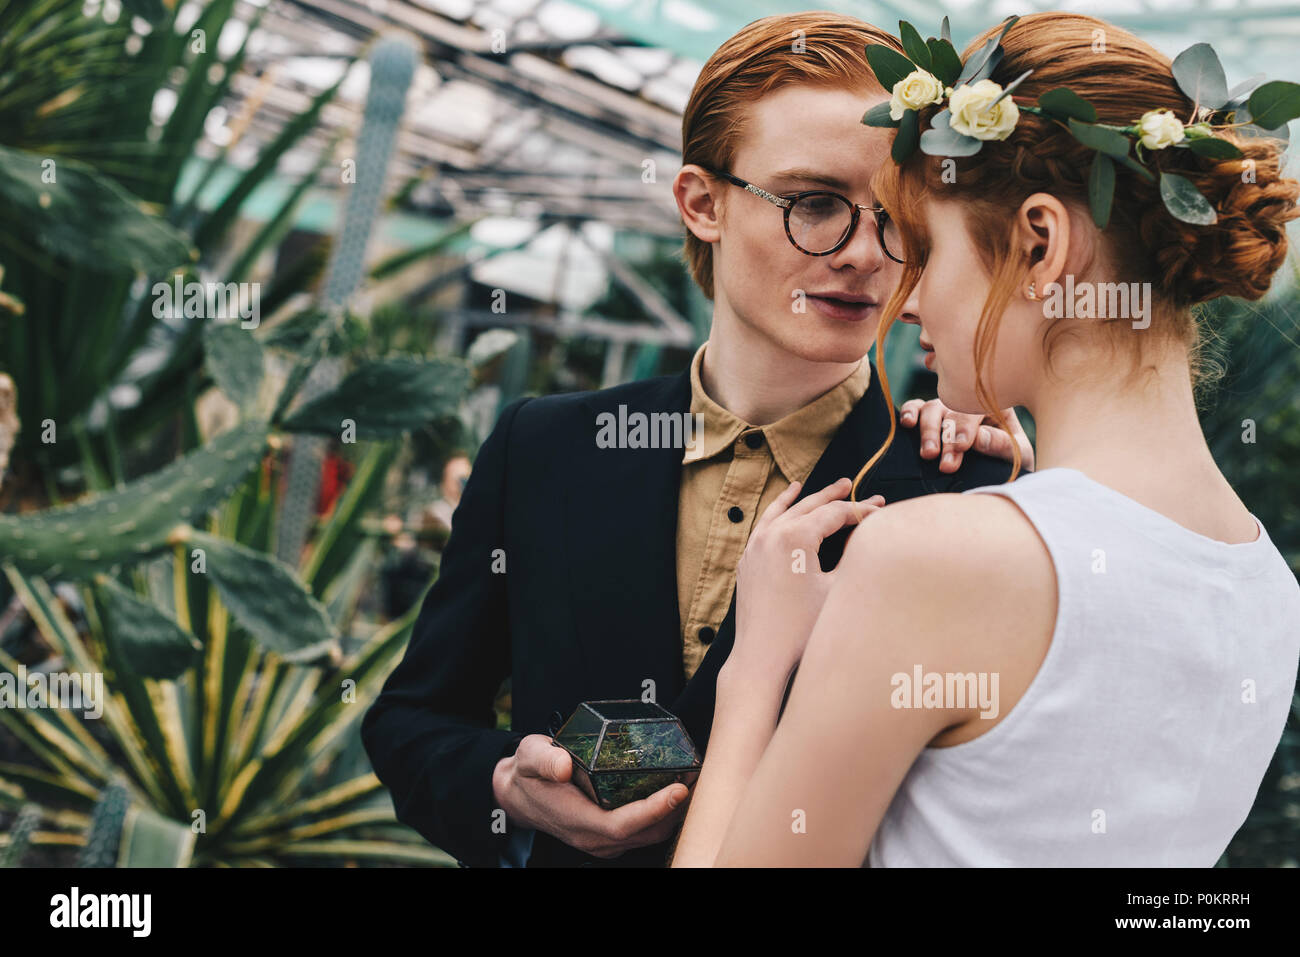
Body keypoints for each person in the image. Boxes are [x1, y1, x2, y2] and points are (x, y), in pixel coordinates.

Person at [361, 12, 1029, 868]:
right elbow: (411, 720)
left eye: (898, 216)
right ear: (702, 203)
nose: (867, 253)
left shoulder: (962, 479)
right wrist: (504, 783)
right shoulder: (544, 449)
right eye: (815, 204)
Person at [669, 11, 1300, 866]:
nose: (905, 293)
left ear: (1040, 246)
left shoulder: (939, 555)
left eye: (924, 247)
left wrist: (756, 670)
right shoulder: (1269, 590)